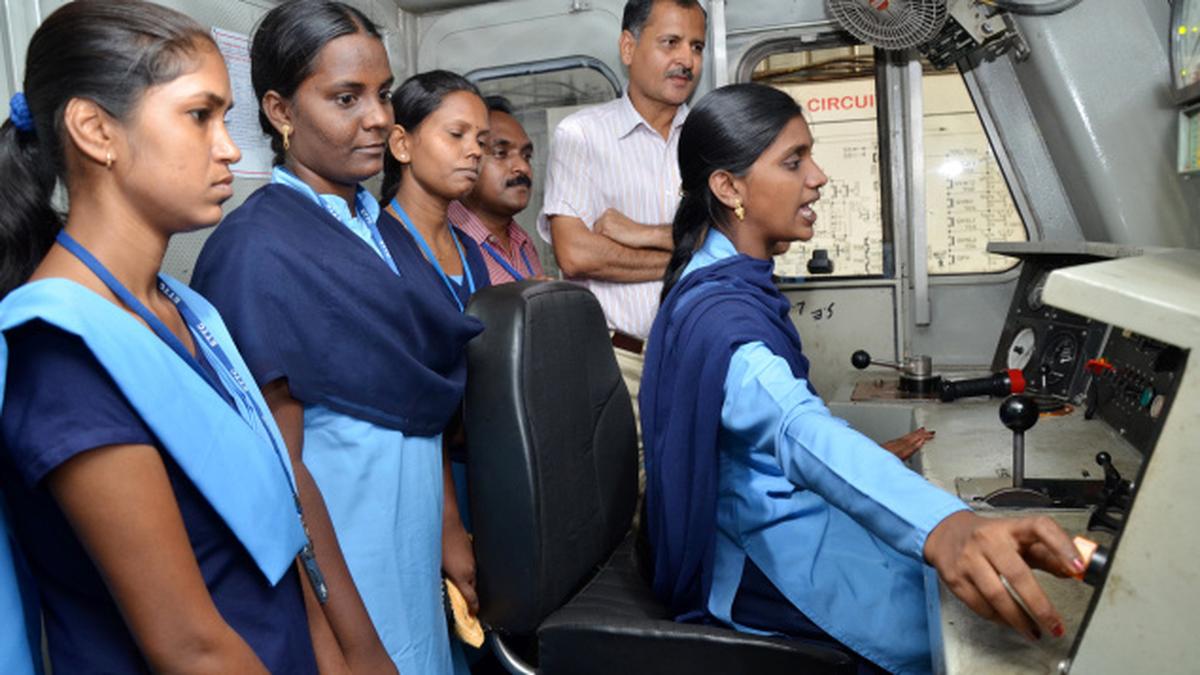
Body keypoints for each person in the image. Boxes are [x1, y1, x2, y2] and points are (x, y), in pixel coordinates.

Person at [639, 83, 1084, 675]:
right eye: (794, 161)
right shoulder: (724, 318)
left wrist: (871, 461)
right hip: (753, 558)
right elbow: (797, 429)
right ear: (729, 187)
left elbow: (774, 432)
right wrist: (946, 527)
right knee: (966, 640)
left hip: (771, 519)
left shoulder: (713, 277)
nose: (818, 177)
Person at [0, 2, 327, 671]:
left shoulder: (185, 308)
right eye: (200, 115)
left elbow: (276, 534)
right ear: (95, 130)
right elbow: (189, 647)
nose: (230, 148)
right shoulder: (62, 349)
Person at [192, 30, 484, 670]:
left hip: (411, 536)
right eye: (347, 98)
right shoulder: (256, 250)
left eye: (383, 94)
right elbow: (277, 478)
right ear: (281, 111)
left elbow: (419, 402)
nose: (378, 117)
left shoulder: (379, 231)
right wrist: (353, 647)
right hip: (344, 559)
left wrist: (447, 527)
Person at [539, 0, 707, 449]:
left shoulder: (710, 140)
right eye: (670, 42)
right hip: (618, 363)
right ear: (628, 48)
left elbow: (739, 241)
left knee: (698, 487)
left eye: (696, 46)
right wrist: (692, 253)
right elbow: (577, 255)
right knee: (626, 490)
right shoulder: (582, 136)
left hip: (699, 357)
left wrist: (640, 233)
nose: (686, 59)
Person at [450, 95, 545, 284]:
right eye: (501, 153)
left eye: (526, 156)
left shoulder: (523, 242)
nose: (523, 167)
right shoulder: (444, 241)